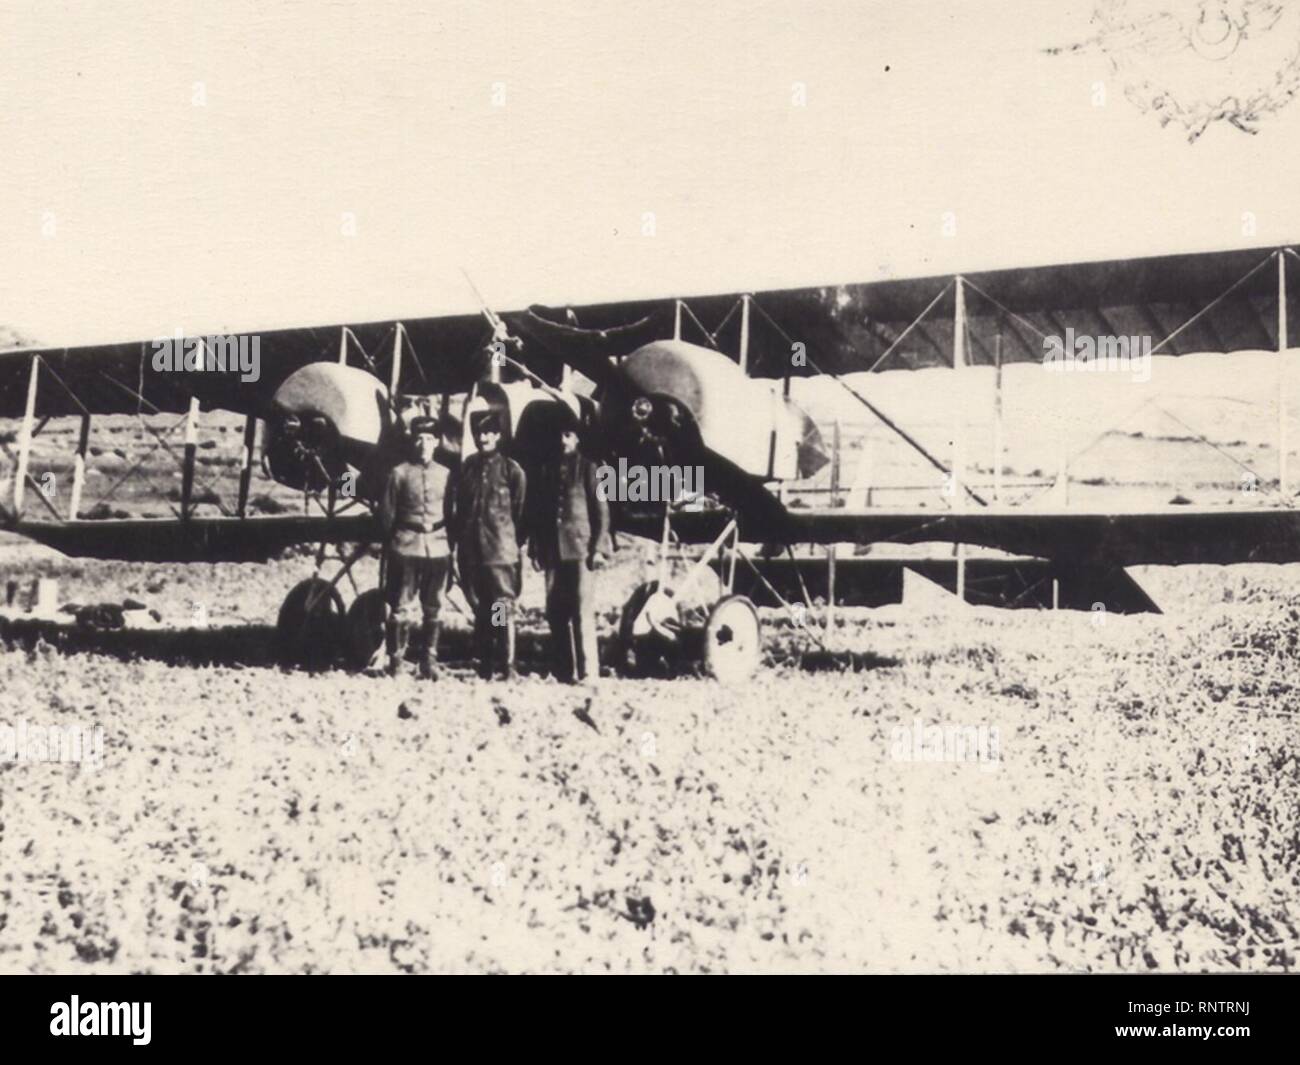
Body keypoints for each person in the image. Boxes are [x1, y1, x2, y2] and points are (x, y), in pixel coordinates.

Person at [527, 408, 611, 684]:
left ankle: (588, 671)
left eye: (568, 435)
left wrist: (599, 548)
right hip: (553, 550)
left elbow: (602, 513)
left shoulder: (591, 469)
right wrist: (536, 548)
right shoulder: (546, 470)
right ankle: (564, 670)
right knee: (555, 610)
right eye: (559, 435)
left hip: (581, 551)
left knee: (581, 610)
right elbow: (540, 513)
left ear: (577, 439)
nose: (563, 440)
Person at [448, 409, 527, 679]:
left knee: (501, 607)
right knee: (482, 608)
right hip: (471, 552)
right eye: (479, 433)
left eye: (489, 433)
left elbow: (519, 512)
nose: (483, 438)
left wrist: (508, 542)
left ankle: (507, 664)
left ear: (498, 435)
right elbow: (459, 509)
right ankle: (485, 665)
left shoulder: (510, 469)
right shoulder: (467, 468)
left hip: (500, 553)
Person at [377, 415, 453, 679]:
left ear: (437, 442)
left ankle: (428, 661)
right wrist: (393, 543)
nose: (424, 444)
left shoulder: (446, 475)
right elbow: (387, 515)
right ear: (413, 441)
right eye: (419, 438)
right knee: (401, 607)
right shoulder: (398, 473)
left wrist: (449, 544)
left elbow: (453, 513)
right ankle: (396, 661)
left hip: (438, 547)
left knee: (434, 606)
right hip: (406, 546)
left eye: (430, 438)